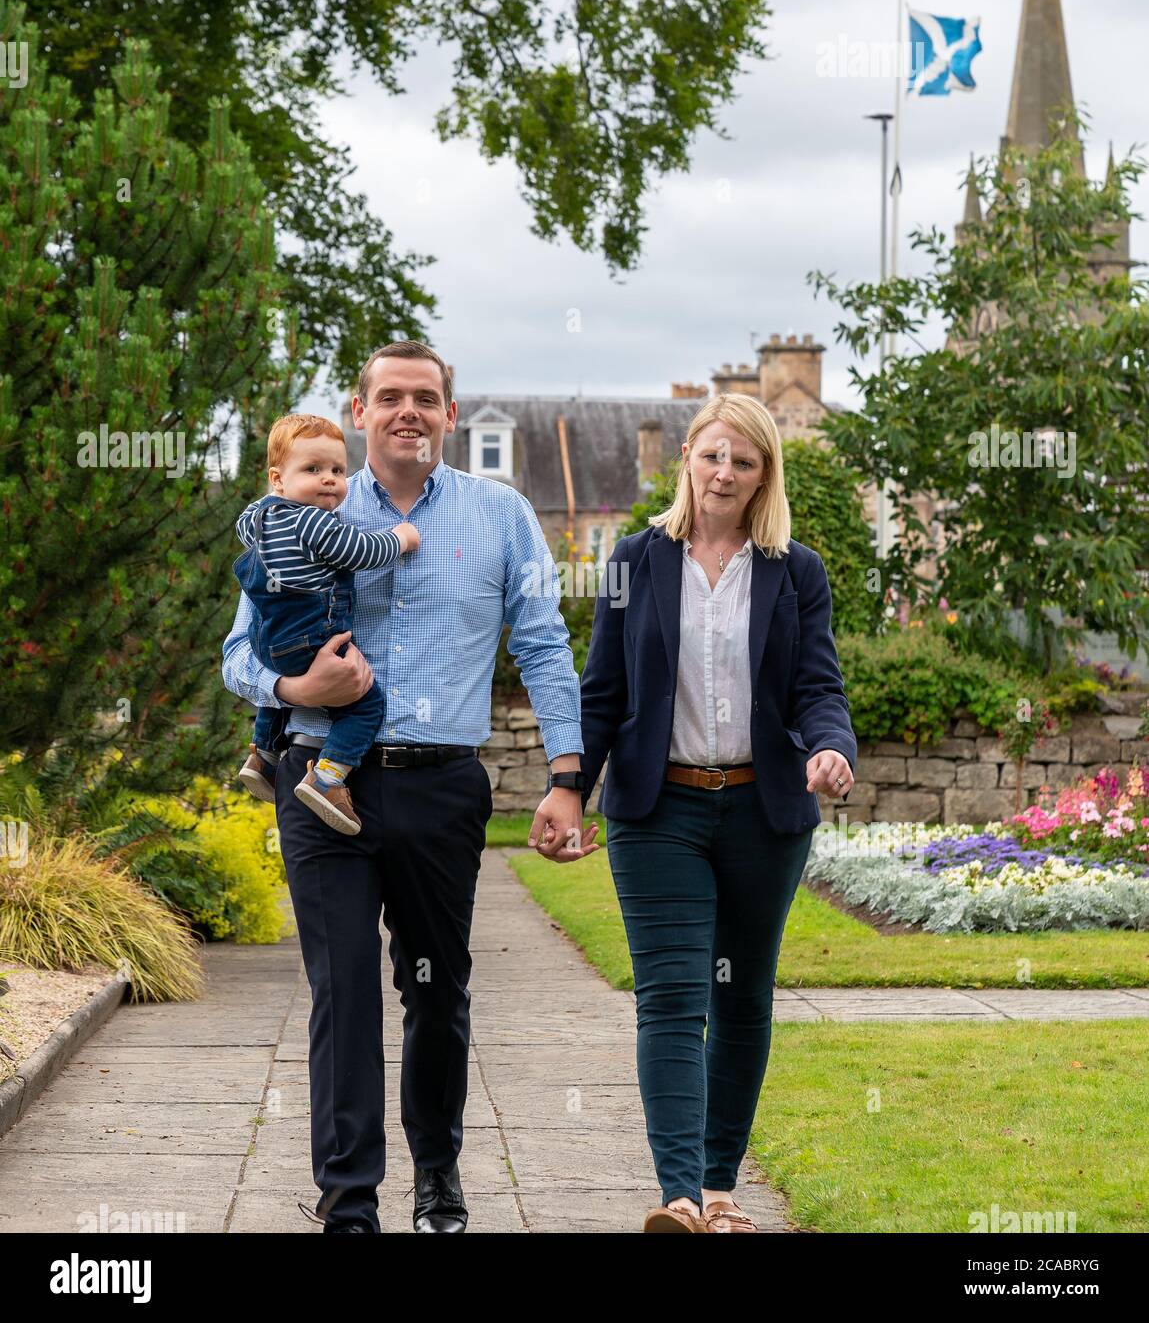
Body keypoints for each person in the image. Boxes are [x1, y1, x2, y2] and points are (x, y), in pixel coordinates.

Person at [221, 341, 598, 1234]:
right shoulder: (298, 504)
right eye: (389, 397)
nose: (407, 412)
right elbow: (238, 652)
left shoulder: (502, 515)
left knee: (436, 989)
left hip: (440, 788)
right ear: (359, 413)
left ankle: (437, 1174)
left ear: (449, 416)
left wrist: (567, 775)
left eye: (425, 398)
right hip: (319, 781)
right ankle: (348, 1202)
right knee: (340, 989)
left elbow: (543, 646)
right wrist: (293, 691)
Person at [573, 391, 857, 1233]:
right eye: (711, 455)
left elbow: (817, 686)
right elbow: (601, 695)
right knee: (670, 997)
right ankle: (680, 1198)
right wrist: (565, 788)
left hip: (762, 815)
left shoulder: (793, 570)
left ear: (763, 472)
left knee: (742, 999)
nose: (724, 472)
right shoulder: (632, 559)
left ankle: (721, 1186)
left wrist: (829, 747)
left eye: (743, 459)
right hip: (657, 812)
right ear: (686, 460)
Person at [233, 413, 421, 835]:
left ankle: (262, 755)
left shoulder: (259, 517)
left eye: (338, 470)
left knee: (279, 691)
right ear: (278, 479)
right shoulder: (314, 521)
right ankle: (328, 777)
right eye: (313, 470)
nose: (330, 480)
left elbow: (247, 534)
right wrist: (402, 538)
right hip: (311, 636)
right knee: (365, 704)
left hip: (268, 641)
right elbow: (359, 552)